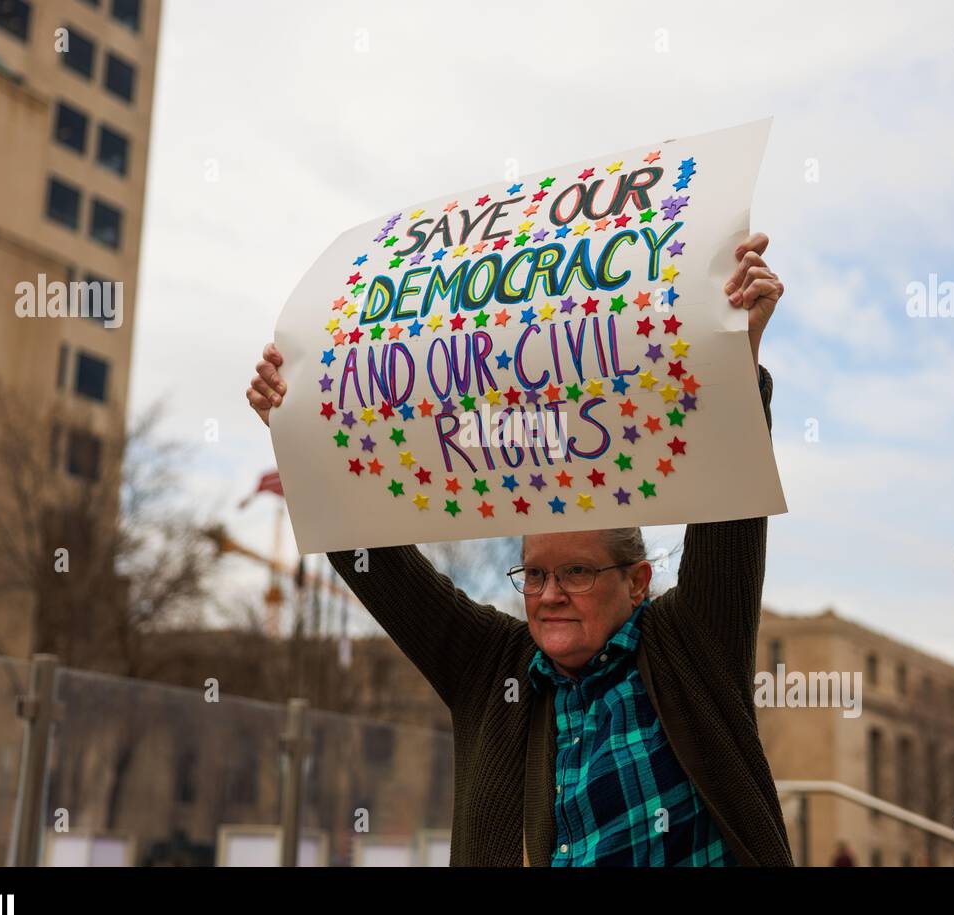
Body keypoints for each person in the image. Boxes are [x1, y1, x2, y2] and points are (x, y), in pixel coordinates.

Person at [249, 233, 788, 866]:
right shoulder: (489, 671)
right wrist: (299, 432)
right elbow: (377, 564)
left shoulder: (690, 651)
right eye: (533, 575)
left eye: (576, 573)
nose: (549, 595)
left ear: (638, 581)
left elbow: (730, 509)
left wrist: (738, 352)